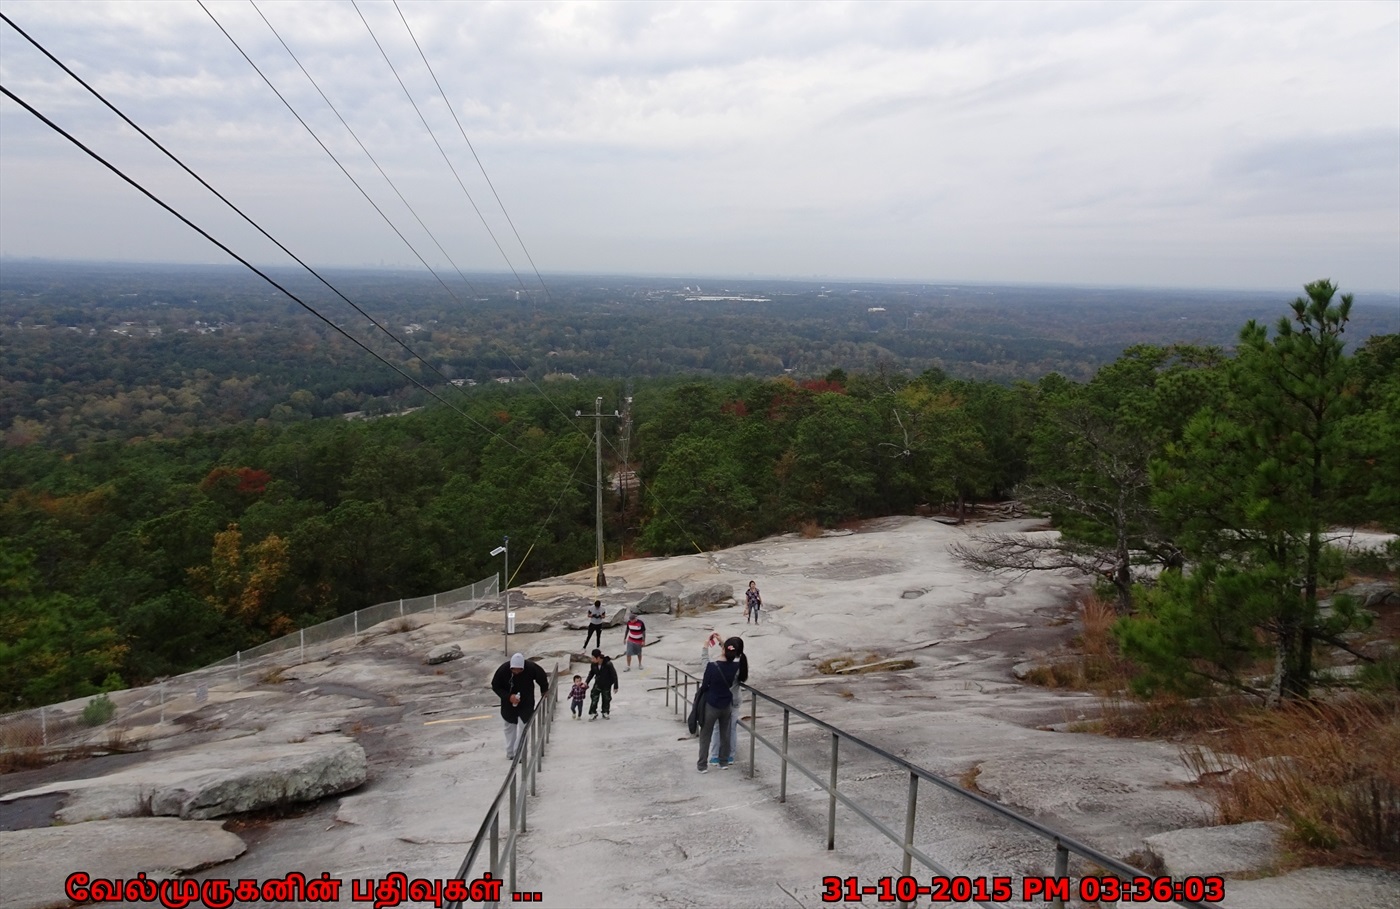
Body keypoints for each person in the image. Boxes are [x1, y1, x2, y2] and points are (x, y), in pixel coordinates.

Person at [696, 637, 743, 773]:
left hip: (712, 704)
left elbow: (705, 684)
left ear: (722, 649)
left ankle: (702, 765)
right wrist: (724, 643)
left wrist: (705, 647)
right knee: (725, 734)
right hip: (727, 705)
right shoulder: (736, 667)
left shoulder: (712, 666)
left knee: (706, 735)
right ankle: (723, 762)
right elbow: (734, 656)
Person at [490, 652, 549, 760]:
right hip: (508, 703)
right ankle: (510, 752)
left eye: (519, 669)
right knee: (509, 727)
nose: (516, 671)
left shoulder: (531, 667)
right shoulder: (503, 670)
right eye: (514, 669)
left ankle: (520, 753)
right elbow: (495, 686)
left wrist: (544, 690)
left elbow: (541, 677)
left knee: (524, 727)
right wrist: (508, 697)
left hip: (526, 701)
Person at [584, 648, 619, 720]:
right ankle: (593, 712)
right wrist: (586, 682)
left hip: (606, 684)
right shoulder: (593, 664)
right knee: (594, 697)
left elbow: (614, 675)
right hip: (598, 683)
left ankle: (605, 712)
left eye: (593, 658)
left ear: (598, 658)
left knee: (606, 698)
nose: (592, 659)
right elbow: (591, 673)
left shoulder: (608, 664)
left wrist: (615, 686)